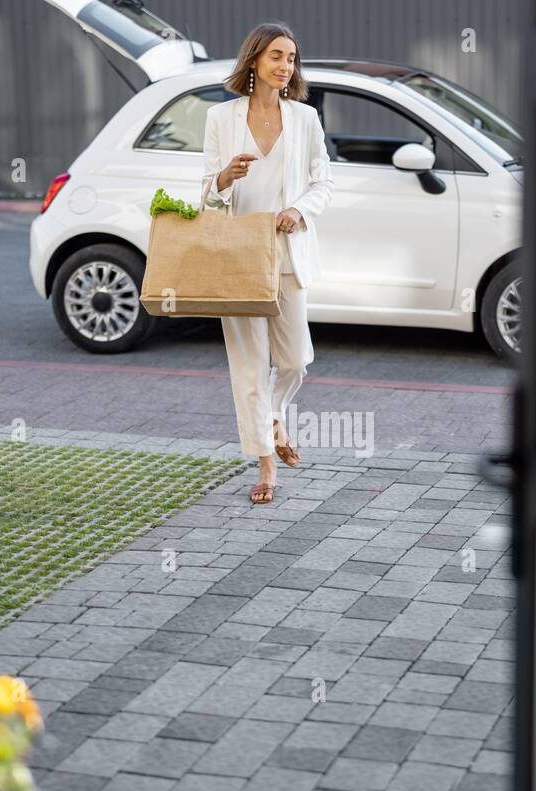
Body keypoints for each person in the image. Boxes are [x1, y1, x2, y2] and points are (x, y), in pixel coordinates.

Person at [200, 21, 334, 505]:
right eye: (277, 55)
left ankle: (275, 415)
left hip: (287, 253)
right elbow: (205, 196)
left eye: (292, 58)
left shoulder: (305, 119)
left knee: (296, 358)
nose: (285, 66)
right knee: (249, 366)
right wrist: (223, 178)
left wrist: (299, 211)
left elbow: (324, 182)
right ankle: (265, 465)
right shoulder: (221, 119)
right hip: (238, 256)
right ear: (254, 59)